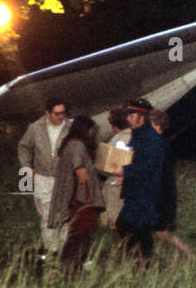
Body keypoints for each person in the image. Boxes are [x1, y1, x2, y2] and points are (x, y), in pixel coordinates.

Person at [111, 98, 164, 264]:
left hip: (145, 193)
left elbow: (148, 166)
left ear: (141, 116)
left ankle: (142, 263)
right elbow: (136, 160)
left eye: (131, 115)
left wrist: (124, 171)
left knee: (127, 226)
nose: (128, 119)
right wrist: (124, 176)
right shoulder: (139, 134)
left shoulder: (151, 139)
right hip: (136, 191)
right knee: (135, 229)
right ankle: (143, 263)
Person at [17, 97, 71, 255]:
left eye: (63, 113)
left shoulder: (71, 126)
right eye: (57, 114)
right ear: (47, 113)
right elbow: (24, 146)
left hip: (65, 179)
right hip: (43, 178)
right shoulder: (35, 128)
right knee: (48, 217)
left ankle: (65, 252)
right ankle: (52, 251)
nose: (61, 117)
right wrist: (26, 167)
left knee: (65, 217)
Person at [47, 116, 103, 269]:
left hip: (72, 196)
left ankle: (71, 263)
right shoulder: (77, 145)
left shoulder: (70, 144)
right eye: (91, 130)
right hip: (78, 199)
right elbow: (78, 168)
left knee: (76, 233)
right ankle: (69, 265)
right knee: (78, 233)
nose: (92, 133)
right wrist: (86, 192)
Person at [149, 109, 192, 257]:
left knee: (162, 233)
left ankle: (191, 256)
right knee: (158, 232)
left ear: (156, 124)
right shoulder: (161, 143)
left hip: (160, 195)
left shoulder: (157, 145)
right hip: (163, 193)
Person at [100, 107, 131, 229]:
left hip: (117, 185)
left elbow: (104, 167)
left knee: (116, 222)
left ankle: (120, 247)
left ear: (113, 125)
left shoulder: (117, 140)